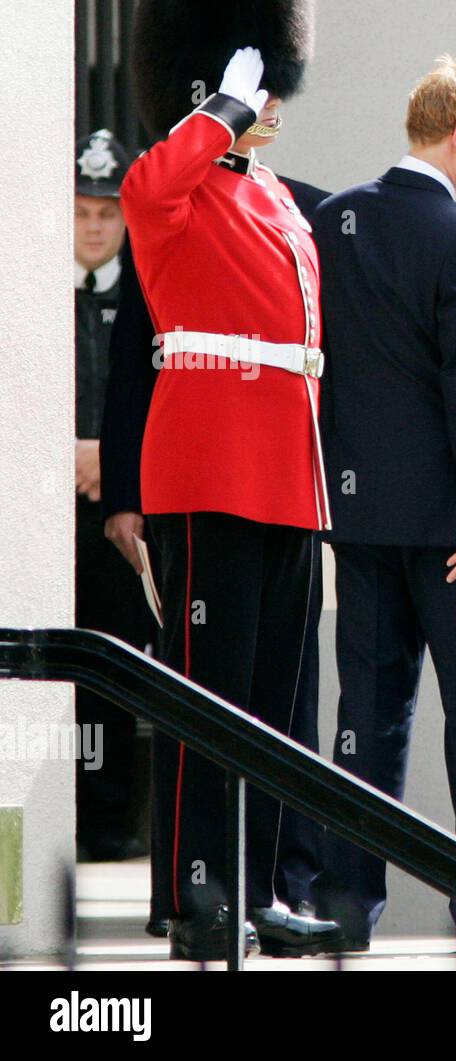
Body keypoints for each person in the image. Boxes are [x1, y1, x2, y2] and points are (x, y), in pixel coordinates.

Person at [121, 0, 344, 960]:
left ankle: (257, 891)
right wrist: (216, 112)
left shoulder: (275, 197)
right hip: (211, 466)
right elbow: (144, 182)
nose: (271, 109)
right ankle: (195, 895)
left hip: (286, 472)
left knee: (271, 707)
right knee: (203, 698)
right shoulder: (182, 185)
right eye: (256, 94)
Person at [311, 56, 456, 954]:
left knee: (366, 712)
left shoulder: (332, 223)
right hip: (455, 530)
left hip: (357, 520)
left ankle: (346, 908)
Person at [72, 128, 155, 864]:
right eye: (82, 212)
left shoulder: (147, 289)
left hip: (121, 513)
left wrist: (113, 461)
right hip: (48, 512)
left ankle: (110, 824)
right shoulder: (31, 290)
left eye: (108, 213)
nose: (95, 226)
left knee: (116, 669)